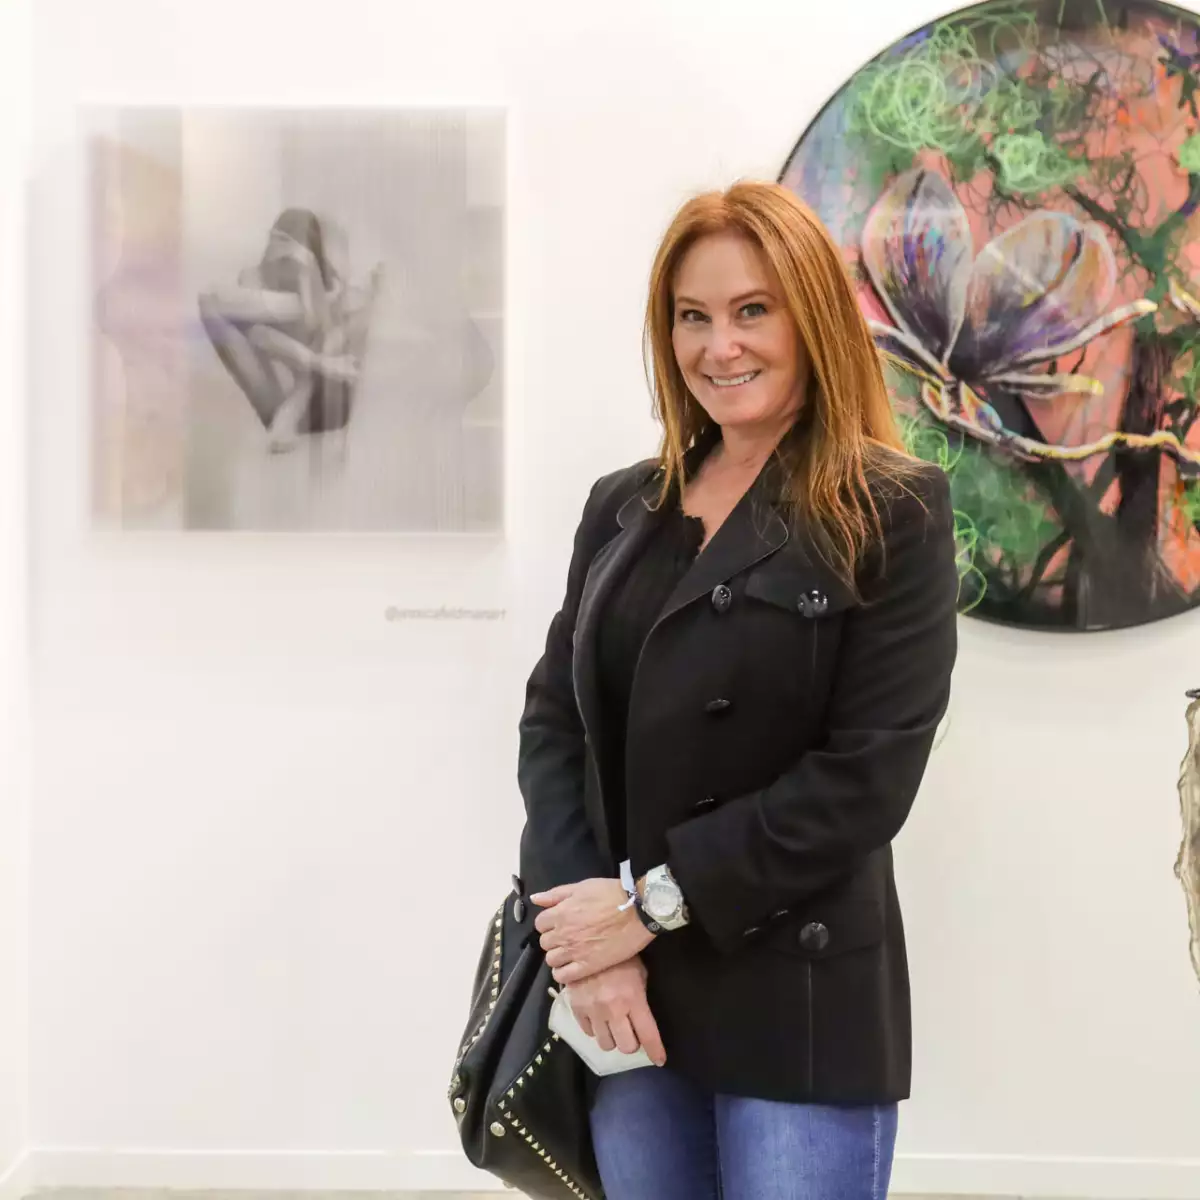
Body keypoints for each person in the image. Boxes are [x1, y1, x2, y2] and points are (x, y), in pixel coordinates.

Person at [516, 180, 959, 1200]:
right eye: (693, 316)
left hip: (795, 992)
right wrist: (591, 947)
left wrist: (649, 908)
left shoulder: (892, 510)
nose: (721, 346)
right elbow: (556, 726)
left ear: (811, 317)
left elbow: (865, 780)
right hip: (633, 999)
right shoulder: (625, 507)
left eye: (752, 310)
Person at [197, 207, 382, 453]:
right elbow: (255, 332)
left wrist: (310, 277)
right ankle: (286, 417)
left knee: (337, 323)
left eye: (285, 244)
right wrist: (318, 361)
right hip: (278, 400)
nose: (279, 254)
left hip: (321, 398)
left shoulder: (325, 285)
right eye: (275, 243)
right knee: (215, 304)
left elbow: (327, 321)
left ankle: (289, 416)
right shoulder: (253, 278)